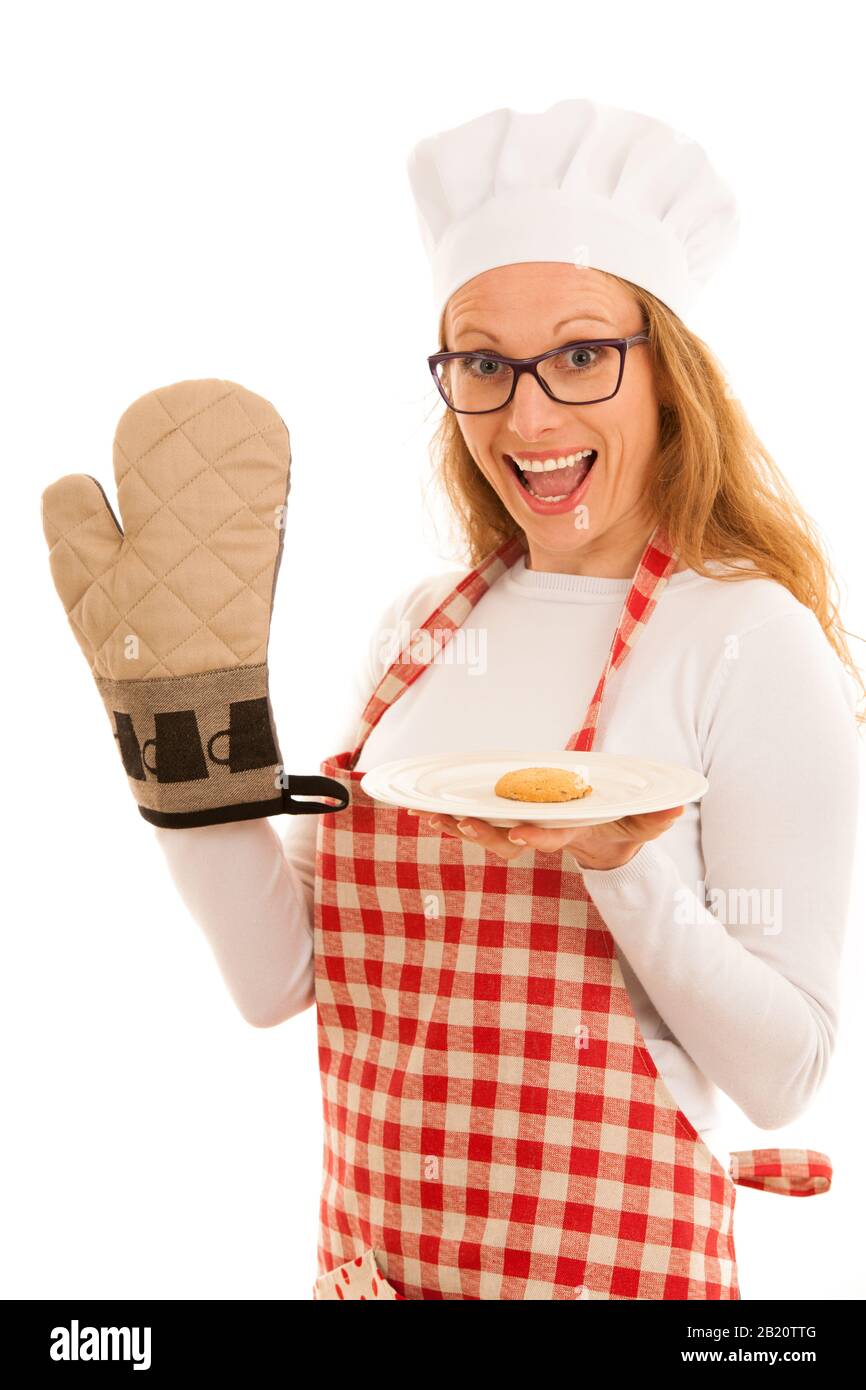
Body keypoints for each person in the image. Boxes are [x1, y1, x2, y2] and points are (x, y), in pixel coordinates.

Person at [52, 99, 865, 1300]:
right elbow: (276, 982)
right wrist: (181, 738)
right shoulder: (423, 629)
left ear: (667, 371)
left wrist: (616, 860)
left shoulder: (744, 637)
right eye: (483, 363)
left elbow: (784, 1069)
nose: (527, 418)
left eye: (581, 354)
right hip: (371, 1271)